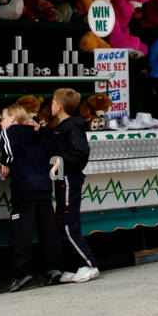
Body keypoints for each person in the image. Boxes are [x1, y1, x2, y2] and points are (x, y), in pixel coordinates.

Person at [0, 105, 63, 292]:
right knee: (49, 232)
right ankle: (53, 269)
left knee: (22, 234)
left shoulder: (9, 133)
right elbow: (54, 155)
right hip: (43, 189)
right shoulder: (39, 134)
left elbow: (9, 151)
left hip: (23, 190)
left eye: (2, 117)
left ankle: (22, 274)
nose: (0, 122)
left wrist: (4, 163)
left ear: (13, 119)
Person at [44, 88, 98, 283]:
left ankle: (88, 263)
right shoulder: (60, 127)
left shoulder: (70, 127)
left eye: (51, 103)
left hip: (69, 179)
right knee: (63, 221)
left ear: (59, 106)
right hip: (62, 180)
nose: (49, 106)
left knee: (68, 222)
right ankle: (74, 266)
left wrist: (61, 162)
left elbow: (80, 152)